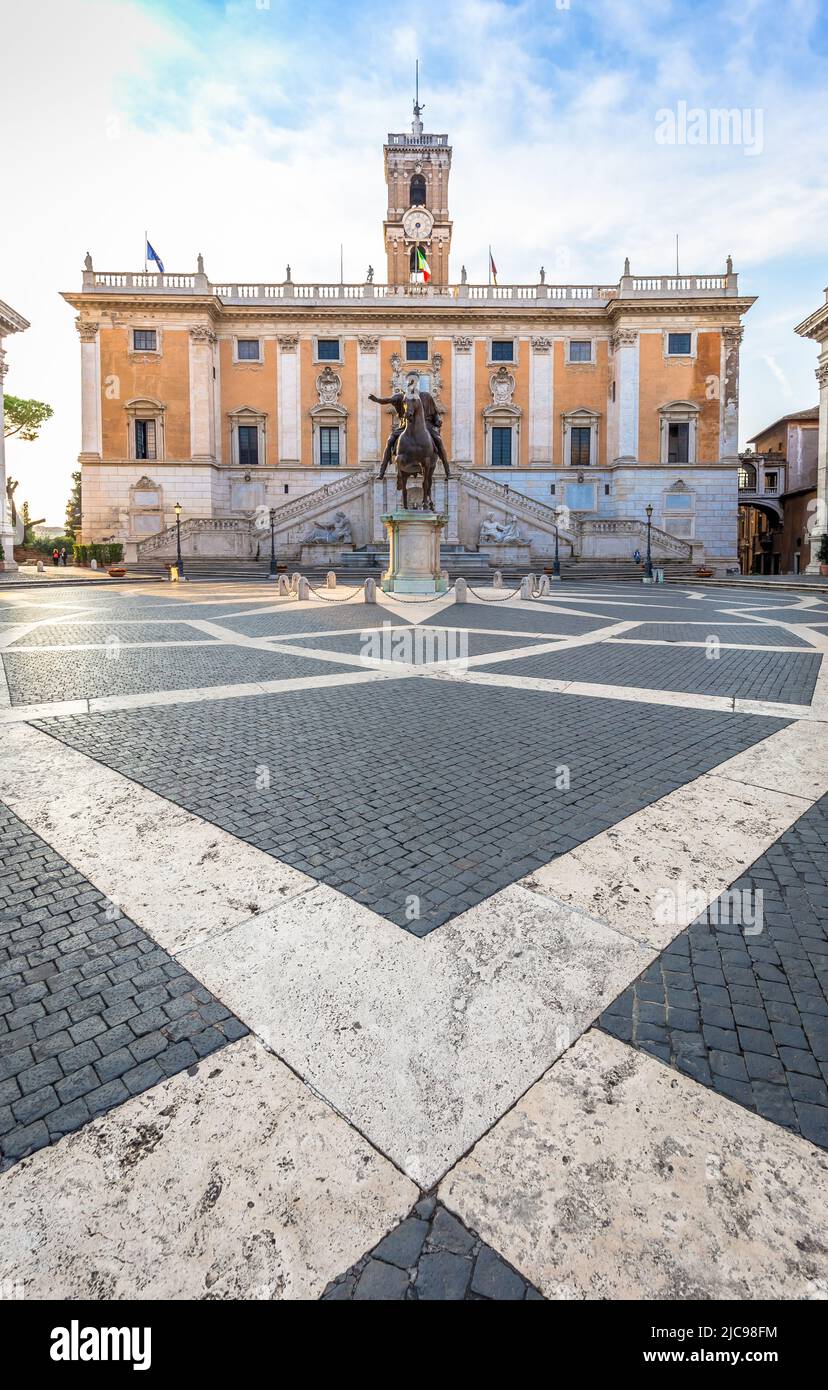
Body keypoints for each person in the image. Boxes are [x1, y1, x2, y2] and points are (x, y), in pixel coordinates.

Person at [370, 377, 450, 480]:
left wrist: (437, 420)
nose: (411, 384)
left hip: (426, 425)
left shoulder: (426, 396)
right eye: (409, 382)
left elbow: (435, 412)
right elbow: (388, 400)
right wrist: (377, 400)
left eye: (414, 382)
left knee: (438, 440)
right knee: (390, 440)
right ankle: (382, 471)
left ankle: (448, 471)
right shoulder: (402, 397)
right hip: (405, 425)